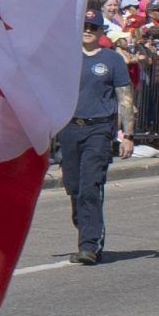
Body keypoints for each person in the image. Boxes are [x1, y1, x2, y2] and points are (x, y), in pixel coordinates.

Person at [56, 22, 132, 264]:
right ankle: (86, 232)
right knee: (74, 187)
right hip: (69, 128)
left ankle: (89, 245)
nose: (87, 30)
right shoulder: (65, 57)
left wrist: (128, 135)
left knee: (91, 185)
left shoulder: (112, 59)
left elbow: (125, 99)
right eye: (83, 25)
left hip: (99, 128)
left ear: (101, 32)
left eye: (93, 26)